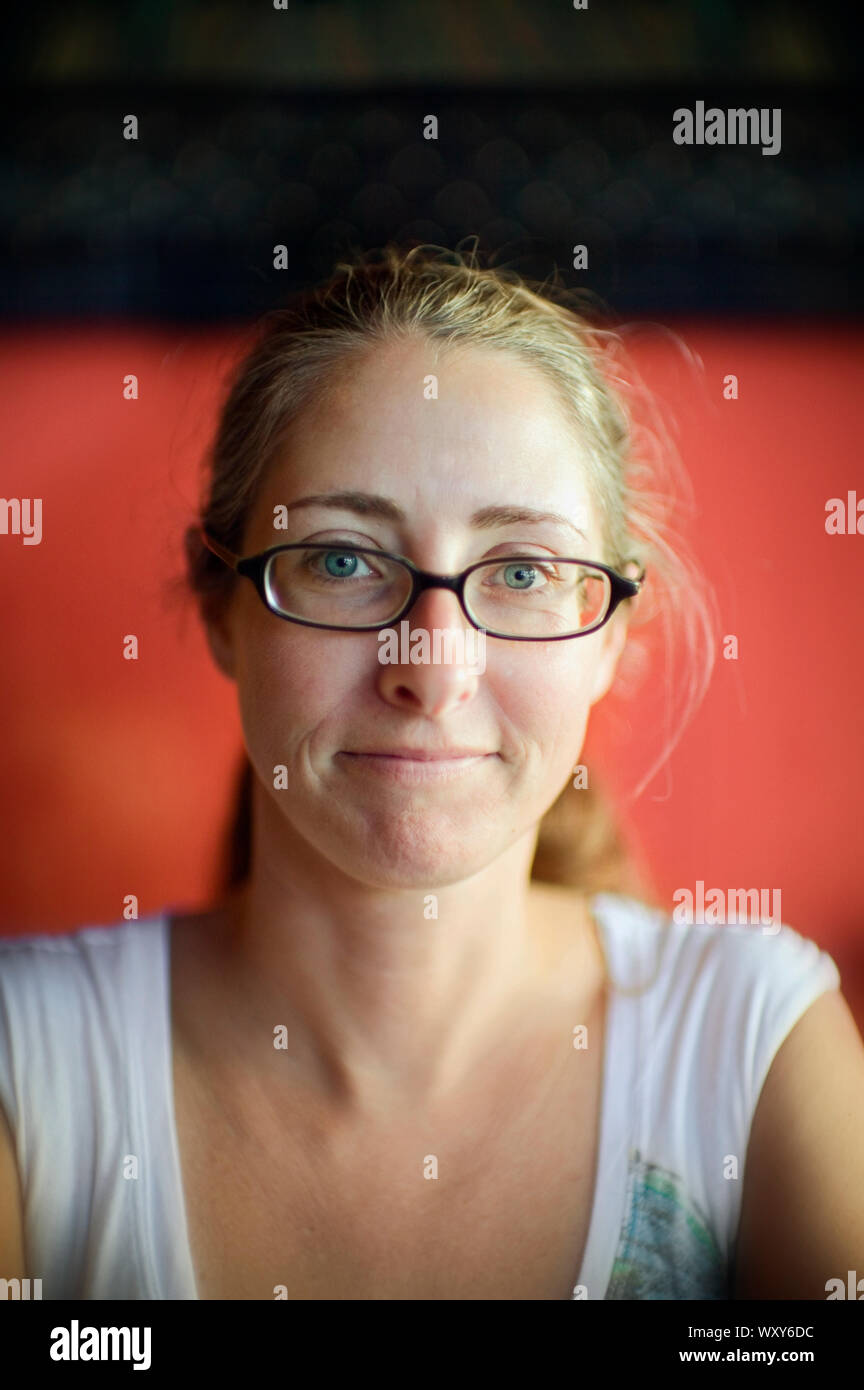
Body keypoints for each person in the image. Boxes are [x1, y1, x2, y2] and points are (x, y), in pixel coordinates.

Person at [1, 244, 863, 1301]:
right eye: (343, 557)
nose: (434, 665)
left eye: (521, 572)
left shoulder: (755, 1046)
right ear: (221, 604)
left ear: (608, 639)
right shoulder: (26, 1066)